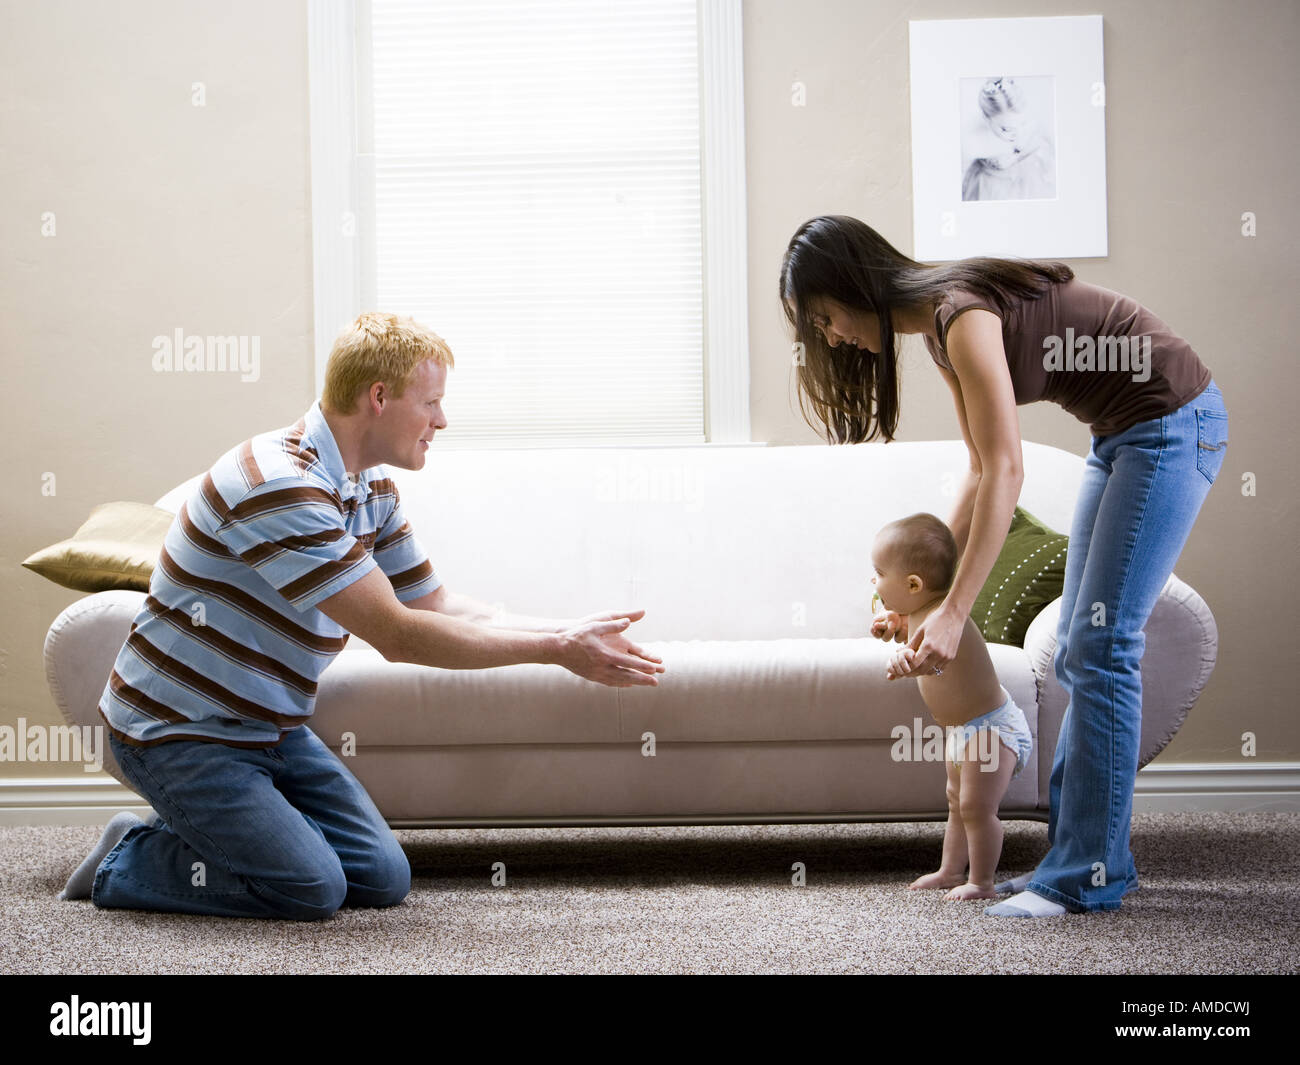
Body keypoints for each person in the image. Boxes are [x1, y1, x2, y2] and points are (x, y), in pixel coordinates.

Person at [60, 311, 665, 920]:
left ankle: (220, 836)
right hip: (179, 731)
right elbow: (399, 635)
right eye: (431, 402)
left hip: (272, 728)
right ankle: (128, 855)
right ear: (379, 397)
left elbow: (436, 605)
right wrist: (558, 653)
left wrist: (566, 631)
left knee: (380, 879)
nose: (442, 420)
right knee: (310, 889)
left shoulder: (369, 486)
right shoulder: (279, 484)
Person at [780, 215, 1228, 916]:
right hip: (1121, 433)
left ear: (853, 285)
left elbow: (1009, 471)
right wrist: (912, 600)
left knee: (1102, 645)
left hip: (1173, 422)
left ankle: (1085, 874)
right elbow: (977, 471)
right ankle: (1077, 858)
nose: (831, 336)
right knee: (1083, 649)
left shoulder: (959, 313)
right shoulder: (938, 329)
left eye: (825, 316)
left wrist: (955, 610)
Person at [869, 513, 1033, 901]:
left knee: (976, 807)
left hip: (992, 728)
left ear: (913, 584)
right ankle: (949, 871)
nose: (873, 582)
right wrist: (890, 625)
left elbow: (927, 661)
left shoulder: (946, 622)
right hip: (963, 730)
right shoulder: (924, 609)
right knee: (956, 802)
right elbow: (904, 627)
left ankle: (982, 881)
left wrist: (901, 659)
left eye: (878, 574)